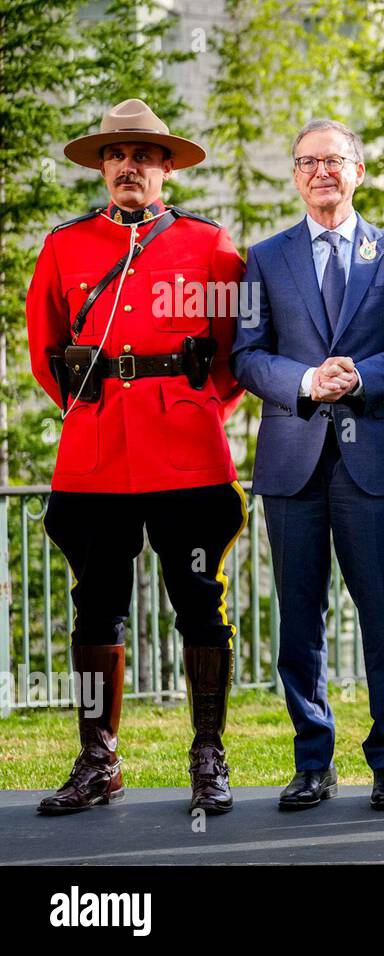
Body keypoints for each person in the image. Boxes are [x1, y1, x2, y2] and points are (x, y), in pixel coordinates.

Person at [27, 98, 247, 815]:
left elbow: (233, 355)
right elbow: (45, 351)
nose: (128, 166)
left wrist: (190, 407)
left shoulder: (209, 245)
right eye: (116, 155)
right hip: (94, 457)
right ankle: (99, 760)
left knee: (200, 604)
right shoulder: (65, 246)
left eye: (143, 155)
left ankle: (208, 755)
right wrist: (94, 407)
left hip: (187, 455)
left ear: (166, 167)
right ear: (101, 167)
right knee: (95, 609)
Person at [232, 119, 384, 811]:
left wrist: (361, 377)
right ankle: (312, 759)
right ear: (295, 175)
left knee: (383, 615)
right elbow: (246, 355)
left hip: (371, 460)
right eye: (308, 162)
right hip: (292, 461)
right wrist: (308, 381)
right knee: (299, 618)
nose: (321, 171)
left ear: (358, 170)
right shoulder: (264, 258)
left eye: (334, 160)